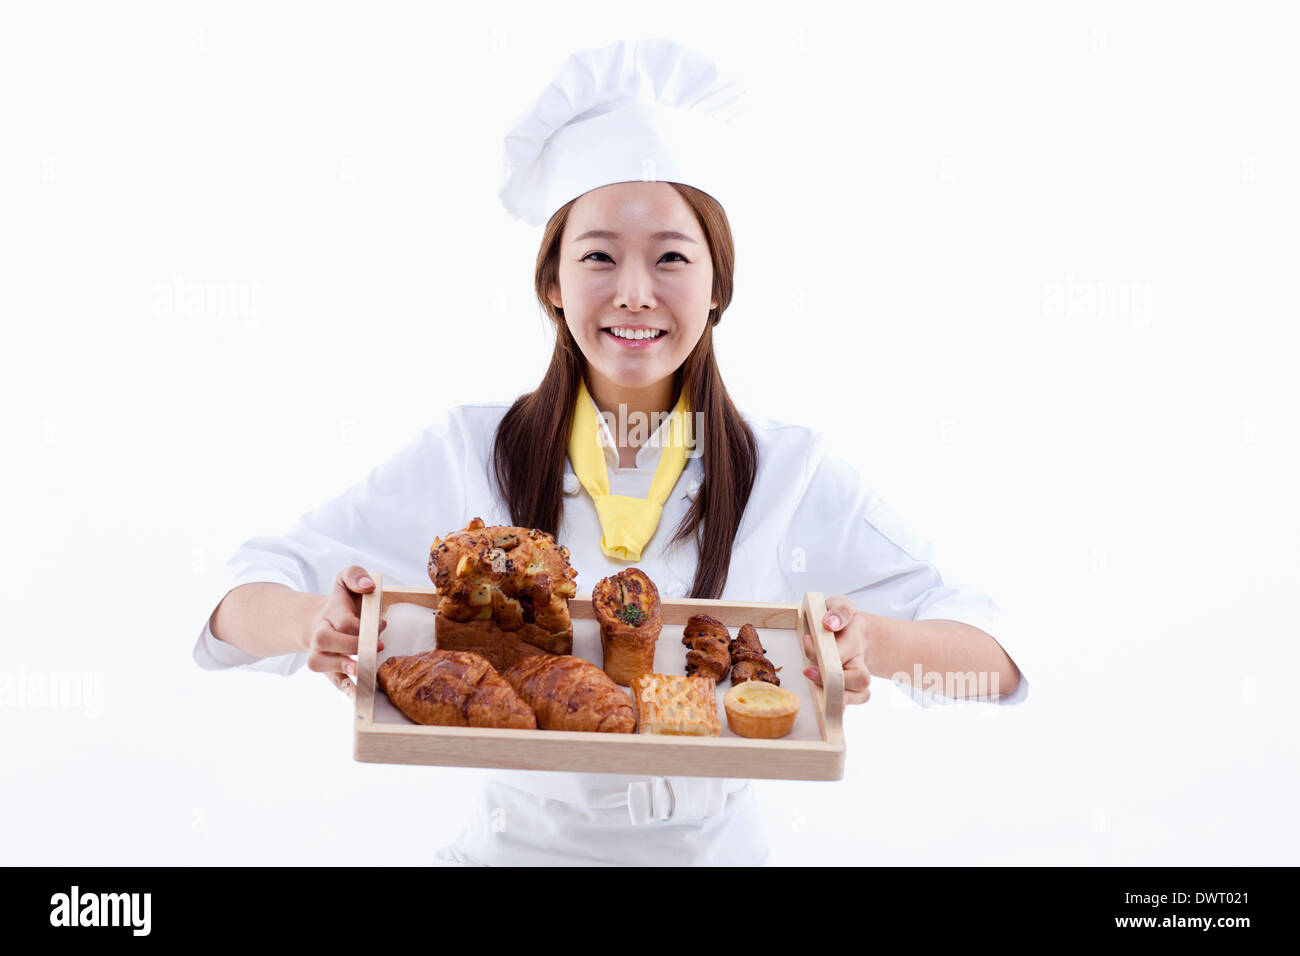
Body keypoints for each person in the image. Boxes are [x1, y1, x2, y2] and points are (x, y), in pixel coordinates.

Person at [193, 37, 1027, 866]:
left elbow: (996, 659)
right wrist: (316, 621)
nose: (635, 291)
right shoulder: (470, 449)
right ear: (551, 283)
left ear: (718, 287)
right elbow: (233, 601)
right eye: (598, 256)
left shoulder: (791, 469)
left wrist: (869, 642)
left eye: (671, 256)